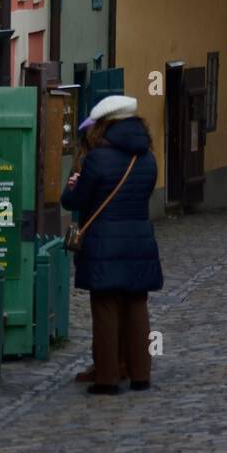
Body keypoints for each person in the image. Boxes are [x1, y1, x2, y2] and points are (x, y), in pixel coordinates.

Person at [62, 95, 162, 394]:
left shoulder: (98, 159)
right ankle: (140, 375)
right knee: (136, 305)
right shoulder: (147, 158)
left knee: (105, 307)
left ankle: (107, 378)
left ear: (104, 125)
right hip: (140, 239)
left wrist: (73, 186)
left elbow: (75, 201)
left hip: (104, 242)